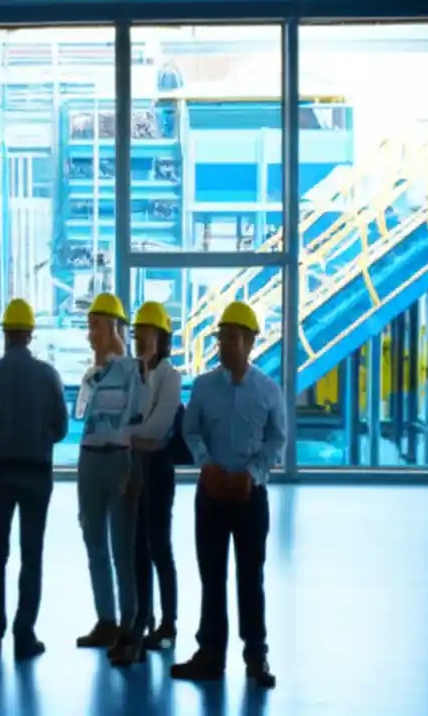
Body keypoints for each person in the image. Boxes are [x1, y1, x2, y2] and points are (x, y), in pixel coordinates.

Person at [170, 301, 285, 689]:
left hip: (250, 499)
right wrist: (207, 465)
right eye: (222, 339)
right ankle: (210, 654)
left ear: (250, 343)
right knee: (212, 576)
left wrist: (252, 475)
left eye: (233, 339)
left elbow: (277, 439)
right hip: (212, 495)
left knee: (250, 577)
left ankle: (256, 656)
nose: (226, 346)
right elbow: (191, 431)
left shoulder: (268, 391)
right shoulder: (203, 387)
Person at [0, 298, 68, 662]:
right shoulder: (48, 376)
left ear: (5, 335)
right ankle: (24, 635)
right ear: (29, 334)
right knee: (32, 555)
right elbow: (60, 428)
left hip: (0, 473)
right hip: (36, 474)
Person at [73, 293, 143, 666]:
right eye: (90, 327)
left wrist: (131, 469)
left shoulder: (132, 371)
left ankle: (130, 622)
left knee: (122, 547)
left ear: (115, 326)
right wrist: (97, 370)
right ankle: (106, 618)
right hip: (90, 460)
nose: (91, 335)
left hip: (118, 460)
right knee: (93, 540)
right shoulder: (92, 374)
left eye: (96, 326)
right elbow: (81, 413)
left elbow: (133, 421)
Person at [128, 301, 182, 652]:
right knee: (136, 547)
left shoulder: (171, 377)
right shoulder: (130, 374)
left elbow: (159, 428)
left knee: (159, 545)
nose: (143, 340)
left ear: (163, 339)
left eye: (149, 333)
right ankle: (141, 615)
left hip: (158, 469)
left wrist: (130, 434)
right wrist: (134, 434)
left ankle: (168, 622)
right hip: (133, 467)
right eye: (139, 334)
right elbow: (120, 421)